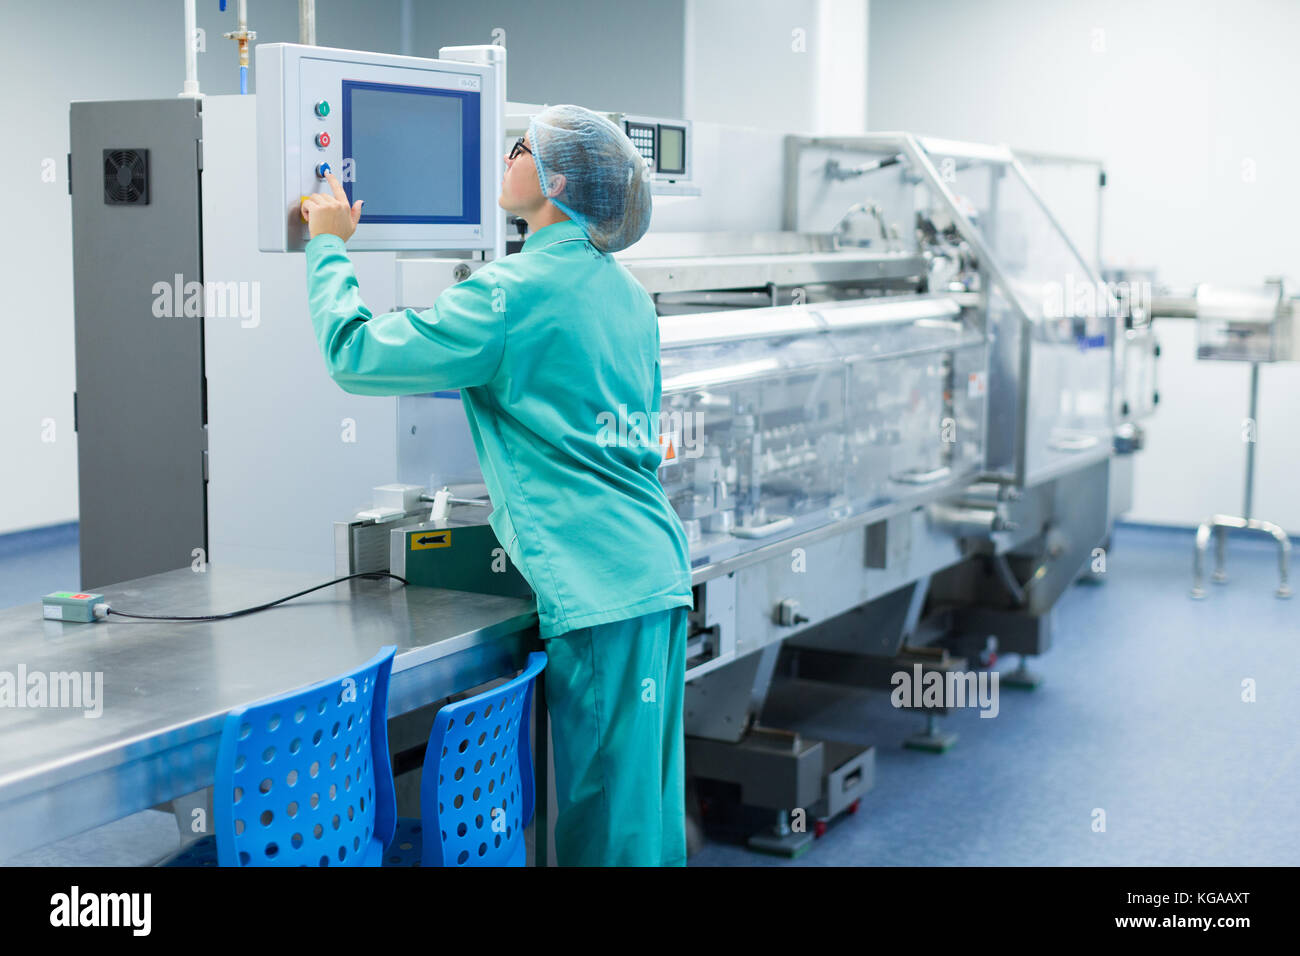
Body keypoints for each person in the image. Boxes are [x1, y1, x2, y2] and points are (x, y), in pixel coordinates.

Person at [300, 104, 693, 866]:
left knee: (608, 829)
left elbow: (355, 354)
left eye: (521, 148)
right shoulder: (627, 295)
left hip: (600, 589)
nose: (506, 158)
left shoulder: (509, 293)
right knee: (645, 817)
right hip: (654, 571)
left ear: (558, 181)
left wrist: (326, 245)